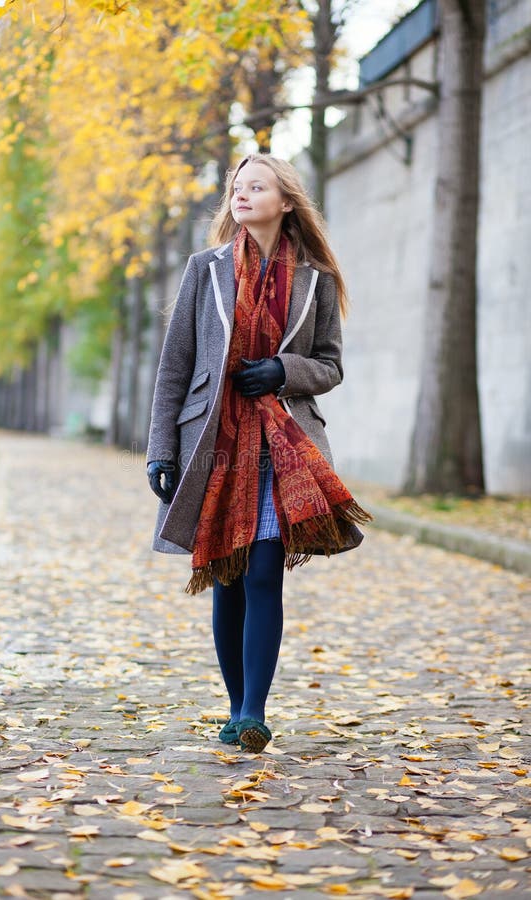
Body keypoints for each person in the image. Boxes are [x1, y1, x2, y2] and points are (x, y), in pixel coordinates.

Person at [146, 154, 371, 754]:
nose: (242, 196)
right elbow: (175, 366)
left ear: (286, 201)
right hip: (215, 441)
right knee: (229, 576)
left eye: (257, 187)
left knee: (265, 569)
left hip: (283, 440)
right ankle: (232, 703)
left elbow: (329, 366)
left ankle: (252, 713)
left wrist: (282, 369)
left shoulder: (316, 279)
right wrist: (160, 451)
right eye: (237, 188)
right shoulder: (206, 269)